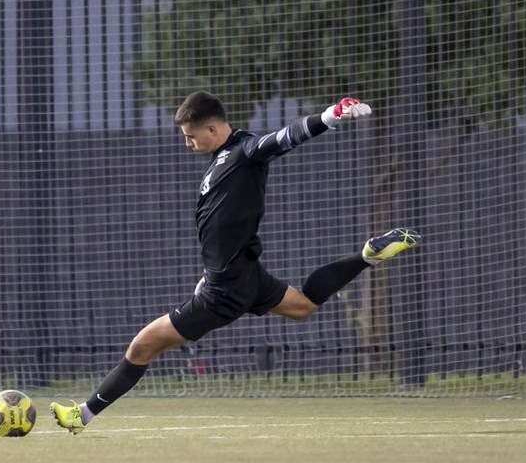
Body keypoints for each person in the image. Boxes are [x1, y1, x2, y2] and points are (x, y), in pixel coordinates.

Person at [50, 91, 420, 434]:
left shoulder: (245, 150)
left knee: (142, 346)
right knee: (304, 305)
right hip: (244, 274)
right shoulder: (224, 158)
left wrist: (331, 115)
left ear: (212, 128)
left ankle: (81, 415)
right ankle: (366, 256)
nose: (187, 143)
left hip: (225, 289)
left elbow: (283, 138)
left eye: (191, 136)